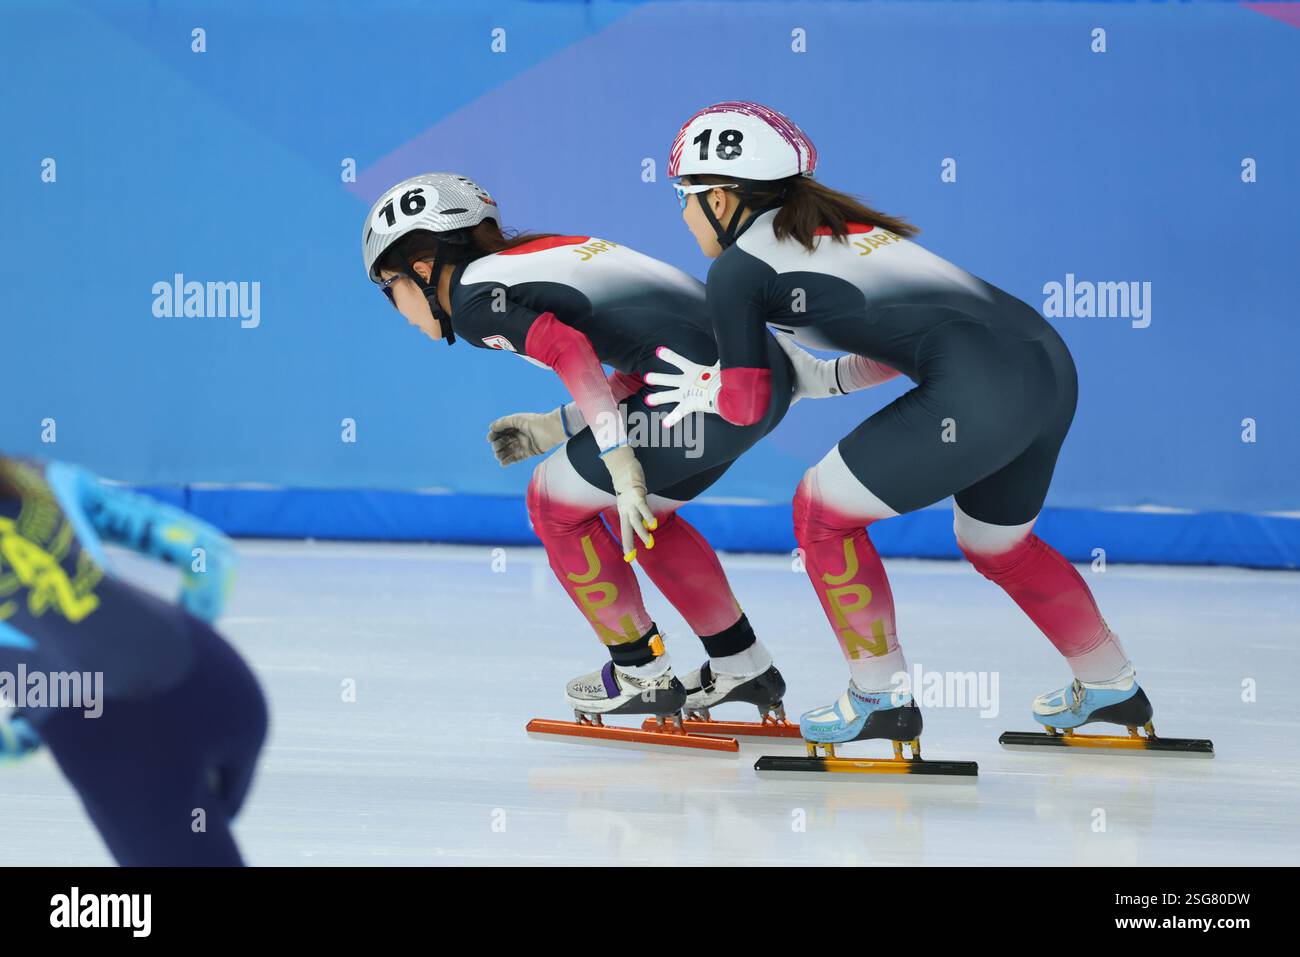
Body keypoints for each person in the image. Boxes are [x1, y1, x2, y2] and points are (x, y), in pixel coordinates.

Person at [651, 101, 1147, 755]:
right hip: (1044, 366)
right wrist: (818, 379)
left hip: (982, 385)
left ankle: (880, 696)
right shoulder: (837, 227)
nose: (683, 216)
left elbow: (745, 408)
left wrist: (707, 388)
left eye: (683, 197)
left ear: (719, 196)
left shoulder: (740, 270)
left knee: (820, 512)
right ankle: (1109, 680)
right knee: (998, 545)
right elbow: (903, 340)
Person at [361, 173, 797, 728]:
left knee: (552, 502)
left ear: (422, 270)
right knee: (644, 517)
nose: (395, 307)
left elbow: (569, 349)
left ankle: (639, 670)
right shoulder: (530, 258)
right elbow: (646, 361)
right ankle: (742, 664)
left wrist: (617, 460)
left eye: (388, 287)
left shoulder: (472, 300)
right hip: (755, 383)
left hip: (707, 394)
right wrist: (556, 427)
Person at [0, 456, 266, 864]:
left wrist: (31, 722)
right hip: (221, 685)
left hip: (115, 739)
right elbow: (210, 557)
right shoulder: (40, 477)